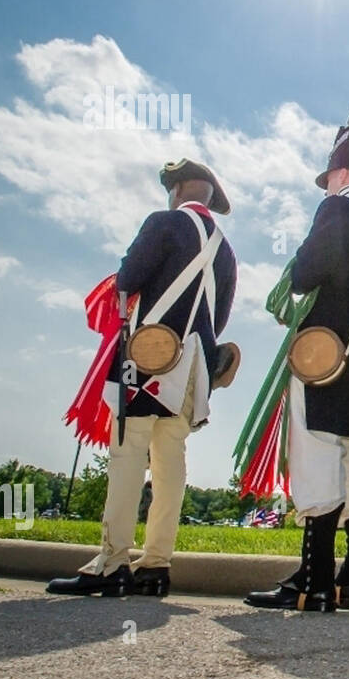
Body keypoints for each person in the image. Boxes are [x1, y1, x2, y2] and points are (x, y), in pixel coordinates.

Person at [48, 159, 237, 598]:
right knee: (170, 459)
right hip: (194, 365)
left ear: (175, 191)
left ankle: (112, 562)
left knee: (130, 450)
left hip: (149, 355)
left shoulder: (164, 223)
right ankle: (155, 566)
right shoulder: (224, 249)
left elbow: (129, 278)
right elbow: (221, 316)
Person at [246, 110, 349, 612]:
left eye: (327, 178)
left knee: (316, 459)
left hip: (324, 360)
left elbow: (305, 272)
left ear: (338, 175)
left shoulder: (335, 211)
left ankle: (313, 583)